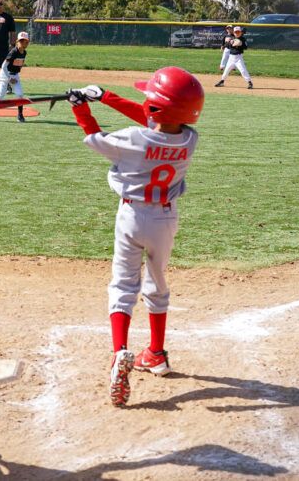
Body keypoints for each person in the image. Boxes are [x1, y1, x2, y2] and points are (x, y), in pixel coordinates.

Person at [66, 67, 204, 407]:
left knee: (123, 284)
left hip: (132, 216)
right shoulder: (189, 139)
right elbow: (153, 118)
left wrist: (81, 108)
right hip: (166, 218)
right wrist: (106, 97)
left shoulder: (132, 138)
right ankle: (156, 353)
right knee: (157, 283)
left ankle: (118, 353)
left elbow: (95, 138)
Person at [0, 30, 31, 123]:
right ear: (17, 41)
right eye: (21, 41)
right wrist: (9, 78)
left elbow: (19, 64)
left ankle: (20, 115)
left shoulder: (24, 53)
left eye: (24, 41)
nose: (22, 43)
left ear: (27, 42)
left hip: (14, 75)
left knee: (20, 94)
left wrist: (15, 75)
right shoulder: (13, 52)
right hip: (5, 74)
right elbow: (4, 66)